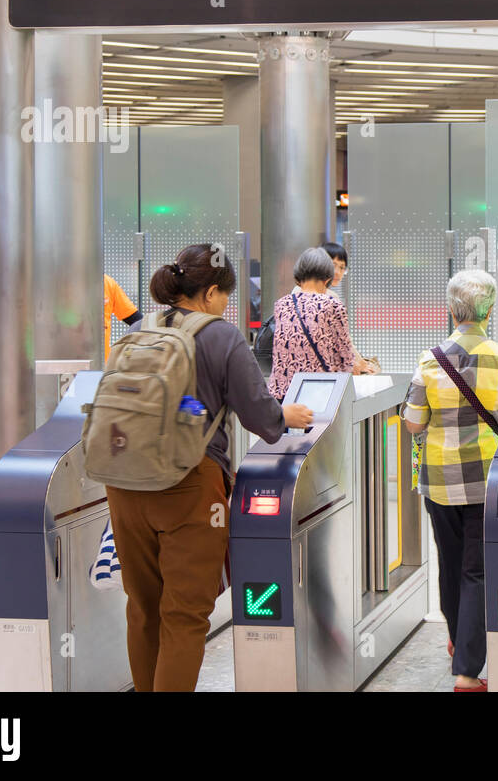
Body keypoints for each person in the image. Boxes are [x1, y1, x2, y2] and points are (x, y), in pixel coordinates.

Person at [104, 244, 314, 691]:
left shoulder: (142, 327)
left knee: (142, 608)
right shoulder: (221, 335)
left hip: (123, 484)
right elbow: (259, 415)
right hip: (188, 486)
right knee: (183, 614)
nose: (225, 306)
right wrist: (286, 416)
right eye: (224, 296)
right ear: (212, 293)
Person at [402, 269, 498, 692]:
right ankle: (469, 672)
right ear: (490, 309)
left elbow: (414, 423)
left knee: (449, 565)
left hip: (439, 481)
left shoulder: (429, 359)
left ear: (451, 309)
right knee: (478, 571)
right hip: (488, 481)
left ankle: (457, 639)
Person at [268, 247, 373, 400]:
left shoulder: (281, 305)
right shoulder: (332, 304)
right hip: (319, 393)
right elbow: (345, 356)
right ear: (327, 278)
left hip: (283, 394)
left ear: (298, 277)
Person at [323, 240, 380, 374]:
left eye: (342, 268)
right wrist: (359, 363)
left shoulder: (299, 292)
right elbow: (343, 339)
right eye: (333, 265)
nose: (337, 272)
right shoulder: (329, 297)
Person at [103, 274, 141, 362]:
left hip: (101, 365)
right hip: (67, 362)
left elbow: (135, 319)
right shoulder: (65, 282)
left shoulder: (107, 283)